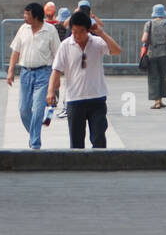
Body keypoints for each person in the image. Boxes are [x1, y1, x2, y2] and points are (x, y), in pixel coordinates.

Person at [46, 10, 122, 148]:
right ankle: (78, 168)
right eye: (74, 31)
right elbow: (56, 69)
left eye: (81, 31)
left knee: (99, 138)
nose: (77, 35)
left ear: (88, 30)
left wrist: (101, 33)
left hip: (97, 98)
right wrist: (51, 90)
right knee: (76, 142)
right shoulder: (65, 45)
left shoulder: (97, 42)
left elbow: (117, 50)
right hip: (75, 100)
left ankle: (98, 167)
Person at [7, 1, 61, 149]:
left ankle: (35, 144)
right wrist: (11, 71)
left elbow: (58, 55)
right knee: (24, 110)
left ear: (36, 17)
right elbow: (16, 51)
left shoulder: (50, 31)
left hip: (44, 74)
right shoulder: (23, 29)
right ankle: (33, 135)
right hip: (25, 73)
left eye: (27, 15)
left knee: (38, 109)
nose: (24, 17)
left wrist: (56, 79)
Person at [140, 4, 166, 109]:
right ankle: (161, 100)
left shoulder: (148, 24)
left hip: (152, 53)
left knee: (153, 77)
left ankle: (157, 102)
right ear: (163, 13)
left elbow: (144, 39)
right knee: (162, 76)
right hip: (164, 54)